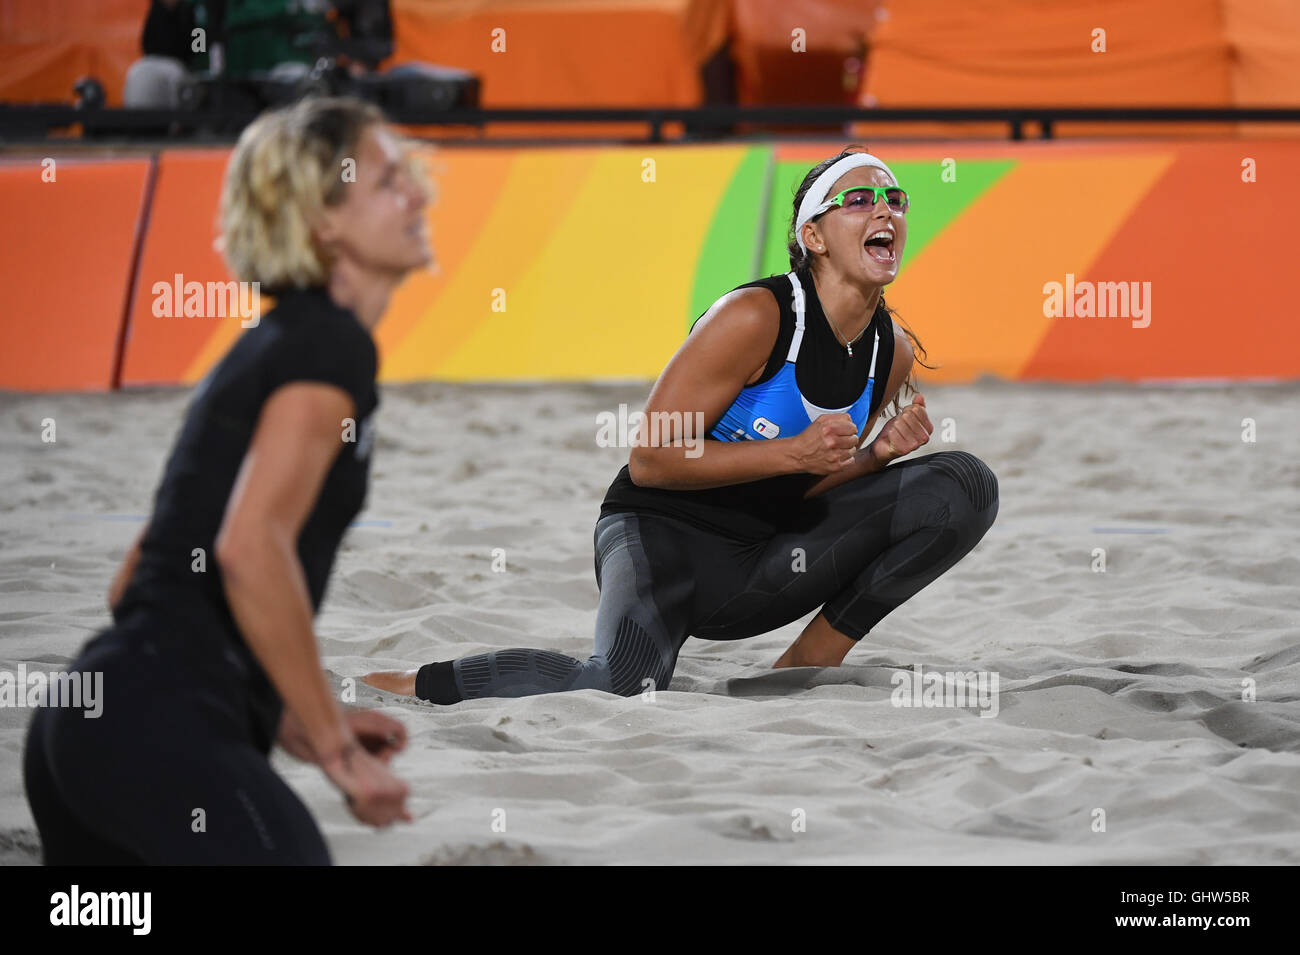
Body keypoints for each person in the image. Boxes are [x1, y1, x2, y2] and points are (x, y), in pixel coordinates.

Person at [363, 146, 1000, 705]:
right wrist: (792, 452)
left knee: (963, 485)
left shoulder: (890, 350)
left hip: (766, 564)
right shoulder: (756, 316)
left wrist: (871, 459)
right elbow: (651, 460)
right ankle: (409, 685)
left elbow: (805, 482)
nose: (885, 210)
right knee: (622, 685)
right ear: (814, 236)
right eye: (859, 199)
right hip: (662, 539)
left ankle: (807, 663)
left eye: (895, 199)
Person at [23, 96, 432, 864]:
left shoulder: (272, 344)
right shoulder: (328, 346)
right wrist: (337, 750)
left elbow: (135, 582)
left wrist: (298, 718)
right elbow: (249, 548)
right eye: (387, 181)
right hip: (156, 734)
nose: (418, 193)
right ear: (322, 219)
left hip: (87, 729)